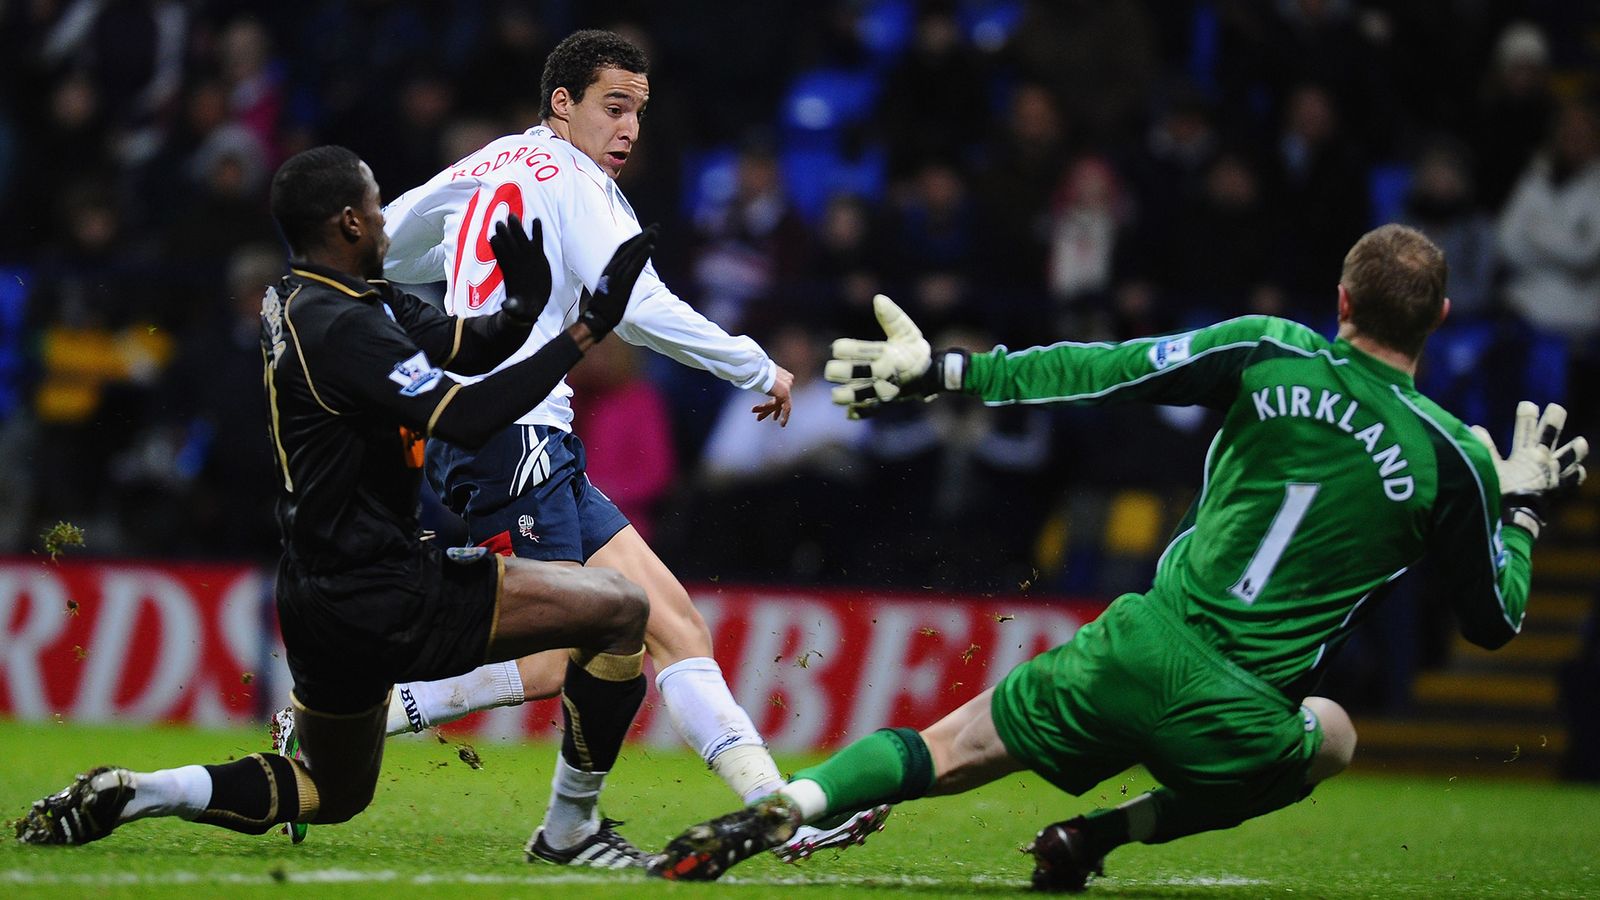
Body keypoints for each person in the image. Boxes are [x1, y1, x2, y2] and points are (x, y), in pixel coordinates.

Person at [647, 224, 1590, 888]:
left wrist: (949, 372)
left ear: (1341, 300)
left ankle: (791, 803)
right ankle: (1097, 838)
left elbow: (1107, 372)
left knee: (950, 747)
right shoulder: (1453, 457)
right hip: (1242, 719)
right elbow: (1494, 621)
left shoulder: (1269, 349)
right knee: (1334, 735)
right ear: (1441, 318)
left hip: (1136, 647)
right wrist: (1521, 512)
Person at [299, 29, 885, 864]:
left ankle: (779, 811)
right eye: (614, 107)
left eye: (639, 112)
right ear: (563, 103)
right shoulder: (578, 182)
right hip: (511, 439)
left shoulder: (493, 160)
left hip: (527, 436)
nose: (630, 129)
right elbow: (637, 307)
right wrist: (754, 365)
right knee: (567, 651)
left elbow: (384, 244)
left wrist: (420, 318)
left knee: (674, 625)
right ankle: (362, 717)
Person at [14, 146, 661, 854]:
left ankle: (145, 790)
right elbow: (469, 417)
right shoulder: (343, 328)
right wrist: (585, 330)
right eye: (377, 205)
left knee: (331, 790)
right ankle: (570, 830)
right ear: (350, 222)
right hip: (384, 583)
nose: (387, 219)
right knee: (619, 609)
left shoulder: (312, 301)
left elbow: (463, 346)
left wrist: (522, 306)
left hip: (316, 591)